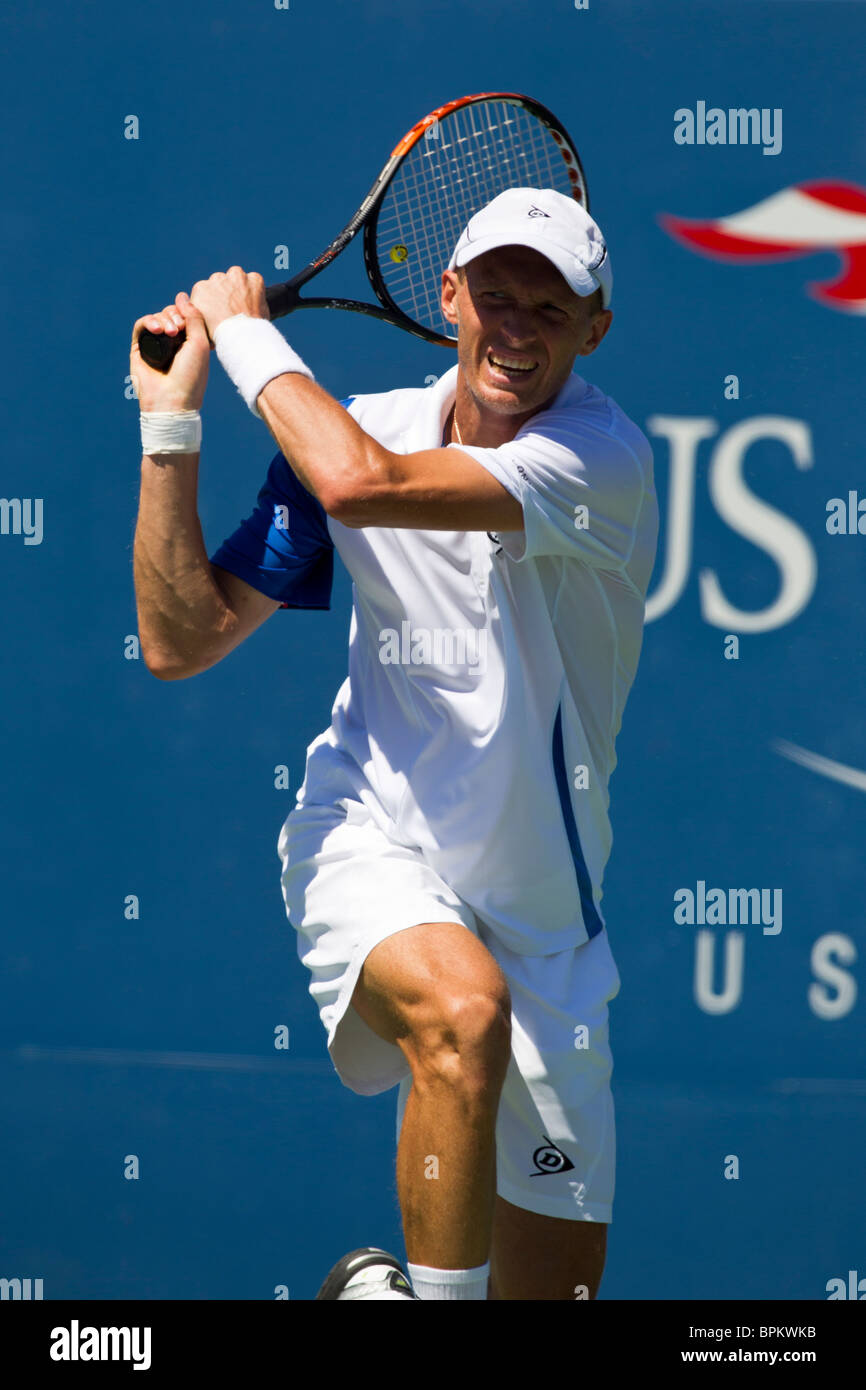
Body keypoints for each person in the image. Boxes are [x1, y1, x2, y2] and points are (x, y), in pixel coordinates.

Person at [130, 187, 659, 1301]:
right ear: (447, 297)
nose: (516, 329)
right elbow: (180, 638)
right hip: (370, 842)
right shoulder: (364, 425)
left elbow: (357, 482)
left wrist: (242, 331)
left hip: (548, 929)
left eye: (549, 310)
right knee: (461, 1009)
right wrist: (170, 429)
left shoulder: (597, 459)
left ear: (593, 330)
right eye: (497, 297)